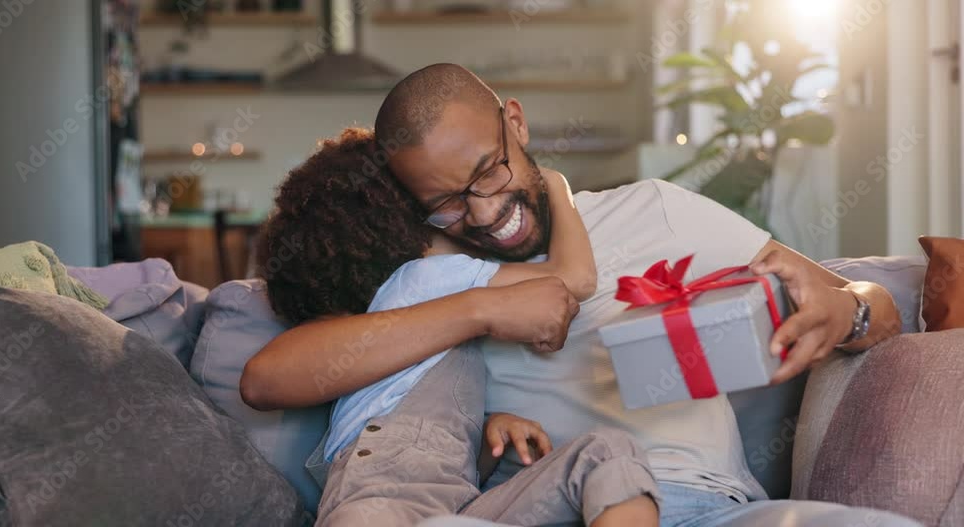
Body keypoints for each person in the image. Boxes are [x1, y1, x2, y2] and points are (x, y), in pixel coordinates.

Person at [243, 64, 920, 527]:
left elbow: (883, 315)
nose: (482, 213)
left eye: (490, 170)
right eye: (447, 203)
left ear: (517, 122)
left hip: (706, 506)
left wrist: (848, 309)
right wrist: (475, 311)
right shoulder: (443, 278)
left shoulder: (653, 211)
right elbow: (276, 372)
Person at [255, 127, 660, 527]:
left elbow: (428, 429)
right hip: (381, 495)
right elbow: (574, 278)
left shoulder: (417, 306)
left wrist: (486, 434)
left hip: (460, 504)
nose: (475, 216)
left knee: (608, 450)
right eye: (444, 206)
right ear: (411, 228)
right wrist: (554, 182)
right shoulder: (424, 275)